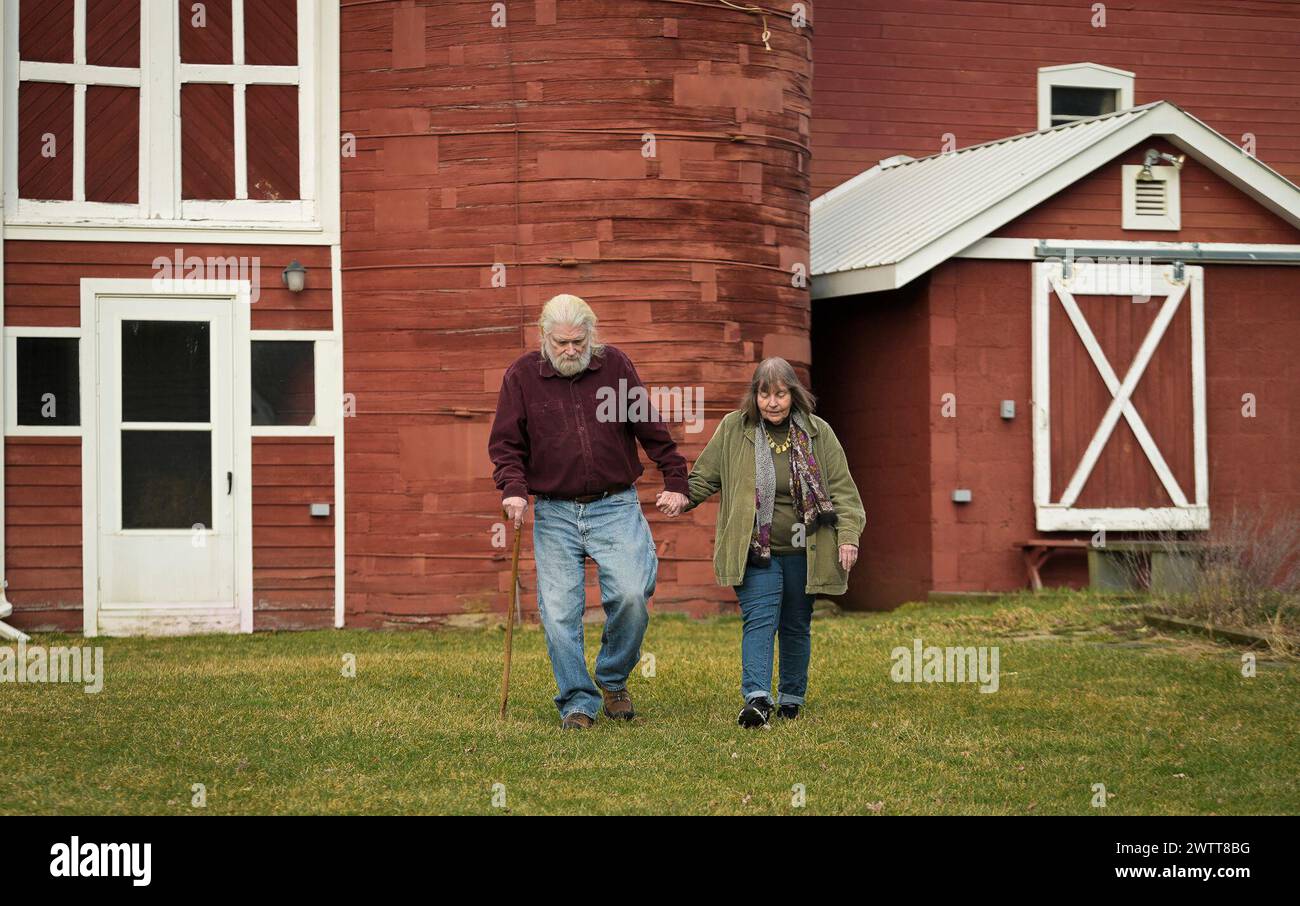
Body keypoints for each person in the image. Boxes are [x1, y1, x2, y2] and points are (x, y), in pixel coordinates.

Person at [488, 294, 690, 729]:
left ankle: (613, 678)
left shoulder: (614, 366)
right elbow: (506, 446)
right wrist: (514, 490)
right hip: (555, 511)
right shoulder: (522, 377)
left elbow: (648, 426)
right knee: (559, 610)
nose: (570, 351)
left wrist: (675, 478)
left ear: (591, 337)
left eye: (578, 342)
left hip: (614, 504)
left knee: (633, 595)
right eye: (561, 342)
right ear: (544, 338)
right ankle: (578, 701)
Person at [660, 357, 864, 728]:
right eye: (764, 394)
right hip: (756, 550)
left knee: (796, 623)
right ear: (754, 396)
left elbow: (844, 494)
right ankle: (757, 699)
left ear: (793, 396)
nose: (772, 402)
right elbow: (705, 477)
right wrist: (680, 497)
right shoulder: (734, 429)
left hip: (806, 549)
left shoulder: (819, 434)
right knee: (760, 619)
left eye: (781, 394)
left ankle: (791, 698)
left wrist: (848, 537)